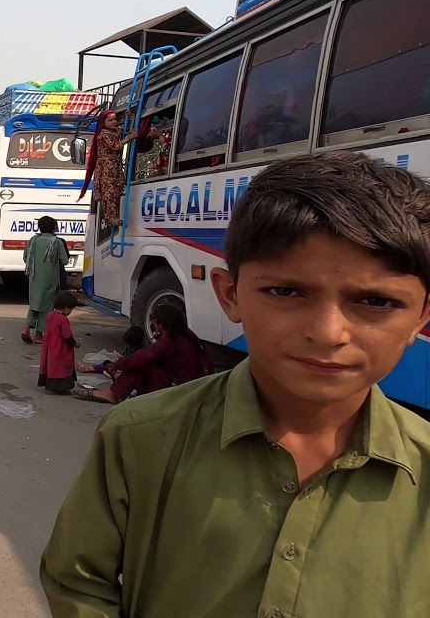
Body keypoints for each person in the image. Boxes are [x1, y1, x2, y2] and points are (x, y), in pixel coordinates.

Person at [41, 151, 430, 617]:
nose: (328, 333)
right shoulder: (138, 437)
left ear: (421, 318)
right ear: (230, 294)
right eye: (286, 292)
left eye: (375, 301)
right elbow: (78, 584)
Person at [73, 304, 212, 404]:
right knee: (139, 362)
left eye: (155, 322)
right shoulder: (186, 335)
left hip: (179, 388)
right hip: (189, 384)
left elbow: (143, 357)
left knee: (138, 364)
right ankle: (118, 392)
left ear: (161, 325)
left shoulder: (169, 342)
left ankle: (112, 394)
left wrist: (119, 364)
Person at [21, 216, 69, 344]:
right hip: (51, 279)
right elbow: (65, 261)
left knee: (35, 303)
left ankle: (26, 328)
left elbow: (26, 257)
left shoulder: (33, 240)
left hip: (34, 277)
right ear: (54, 228)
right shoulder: (57, 242)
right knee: (47, 306)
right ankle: (38, 334)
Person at [77, 110, 125, 230]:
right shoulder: (104, 133)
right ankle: (110, 218)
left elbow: (122, 130)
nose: (114, 122)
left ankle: (114, 215)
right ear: (103, 123)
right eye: (110, 120)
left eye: (115, 119)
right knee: (109, 192)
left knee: (118, 188)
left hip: (115, 166)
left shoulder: (115, 131)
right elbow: (116, 146)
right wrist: (129, 138)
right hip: (106, 167)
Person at [37, 293, 80, 393]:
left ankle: (50, 384)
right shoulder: (63, 319)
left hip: (49, 345)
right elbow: (67, 335)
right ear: (66, 307)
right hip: (60, 347)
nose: (70, 312)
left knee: (51, 365)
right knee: (61, 366)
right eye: (71, 309)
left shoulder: (50, 315)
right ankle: (61, 387)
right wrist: (75, 343)